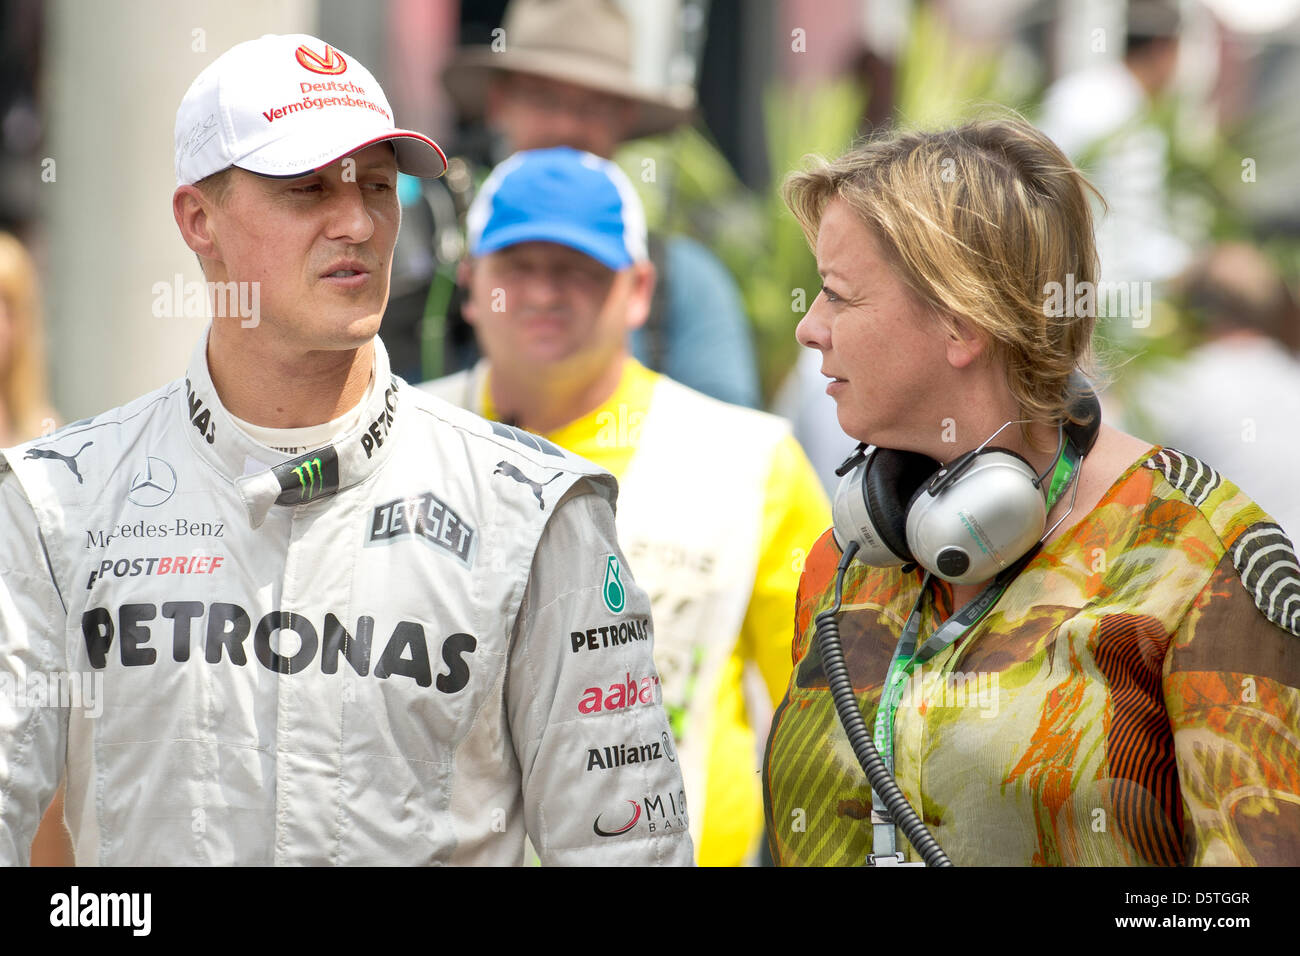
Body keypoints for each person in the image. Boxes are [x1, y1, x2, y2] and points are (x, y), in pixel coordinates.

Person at [0, 34, 691, 866]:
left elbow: (626, 849)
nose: (358, 220)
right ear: (197, 219)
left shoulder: (535, 507)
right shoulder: (51, 505)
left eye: (376, 184)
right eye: (307, 189)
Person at [763, 117, 1300, 866]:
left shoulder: (1202, 560)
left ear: (960, 322)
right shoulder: (850, 560)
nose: (810, 328)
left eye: (838, 296)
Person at [423, 147, 830, 866]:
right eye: (516, 266)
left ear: (638, 289)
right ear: (470, 284)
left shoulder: (751, 461)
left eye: (578, 269)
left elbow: (830, 727)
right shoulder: (405, 442)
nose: (544, 293)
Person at [387, 0, 761, 409]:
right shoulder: (416, 254)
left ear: (640, 286)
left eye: (591, 106)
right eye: (544, 99)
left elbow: (726, 449)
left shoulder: (687, 282)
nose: (566, 125)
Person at [1116, 243, 1300, 540]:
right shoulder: (1292, 376)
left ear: (1195, 312)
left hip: (1238, 578)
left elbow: (1106, 470)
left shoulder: (1176, 386)